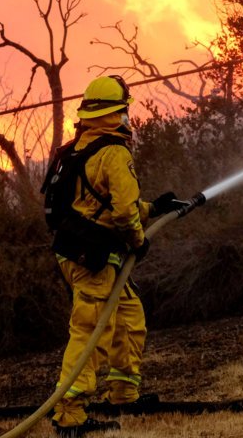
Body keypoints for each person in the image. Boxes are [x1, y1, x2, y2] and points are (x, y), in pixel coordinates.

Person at [50, 75, 186, 437]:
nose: (128, 116)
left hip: (82, 254)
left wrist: (154, 208)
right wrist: (139, 241)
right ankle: (70, 415)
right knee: (92, 331)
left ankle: (124, 394)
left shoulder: (81, 149)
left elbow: (102, 206)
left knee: (128, 319)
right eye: (126, 109)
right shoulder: (114, 152)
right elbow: (124, 213)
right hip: (92, 260)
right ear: (117, 112)